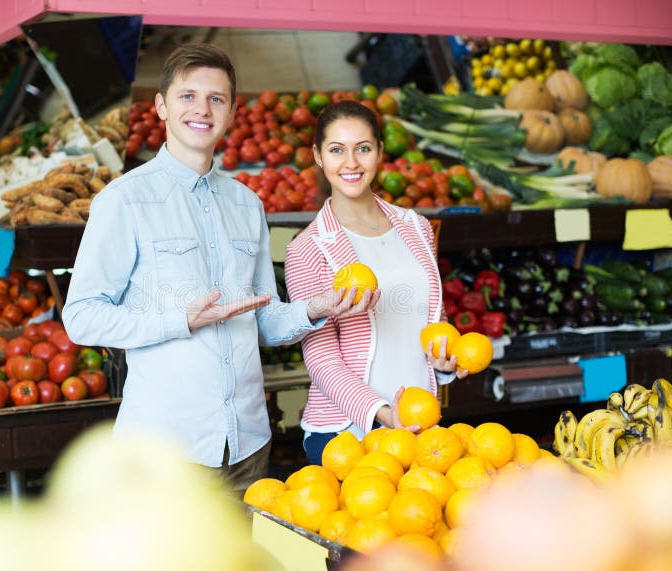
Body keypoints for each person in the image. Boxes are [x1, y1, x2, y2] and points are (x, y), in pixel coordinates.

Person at [61, 44, 378, 491]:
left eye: (216, 99)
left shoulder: (247, 204)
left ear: (230, 112)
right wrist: (180, 320)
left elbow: (262, 319)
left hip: (247, 445)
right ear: (161, 106)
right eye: (188, 96)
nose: (202, 109)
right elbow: (81, 316)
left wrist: (315, 308)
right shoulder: (125, 201)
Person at [284, 100, 468, 465]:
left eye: (363, 149)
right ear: (318, 156)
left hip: (420, 427)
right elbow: (321, 360)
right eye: (337, 150)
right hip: (345, 438)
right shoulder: (307, 249)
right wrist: (383, 414)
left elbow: (433, 317)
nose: (351, 163)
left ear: (380, 153)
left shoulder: (416, 227)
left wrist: (444, 362)